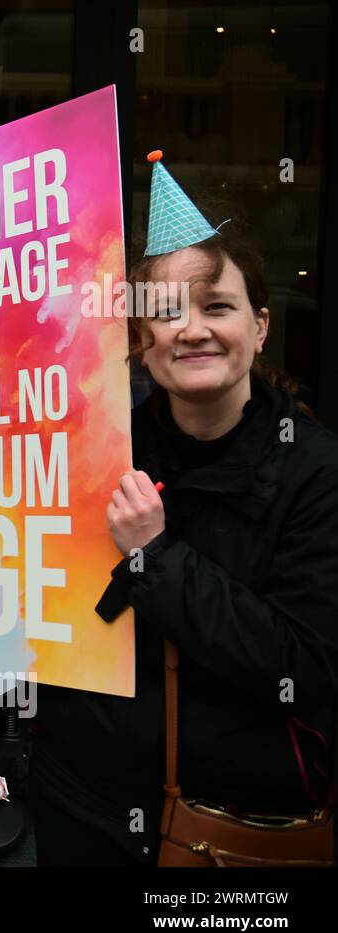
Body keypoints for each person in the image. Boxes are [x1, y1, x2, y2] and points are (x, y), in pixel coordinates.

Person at [31, 156, 338, 865]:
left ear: (260, 327)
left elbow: (304, 664)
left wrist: (157, 555)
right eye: (166, 313)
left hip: (225, 825)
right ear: (141, 340)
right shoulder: (100, 449)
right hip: (81, 799)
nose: (192, 329)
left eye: (217, 307)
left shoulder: (316, 471)